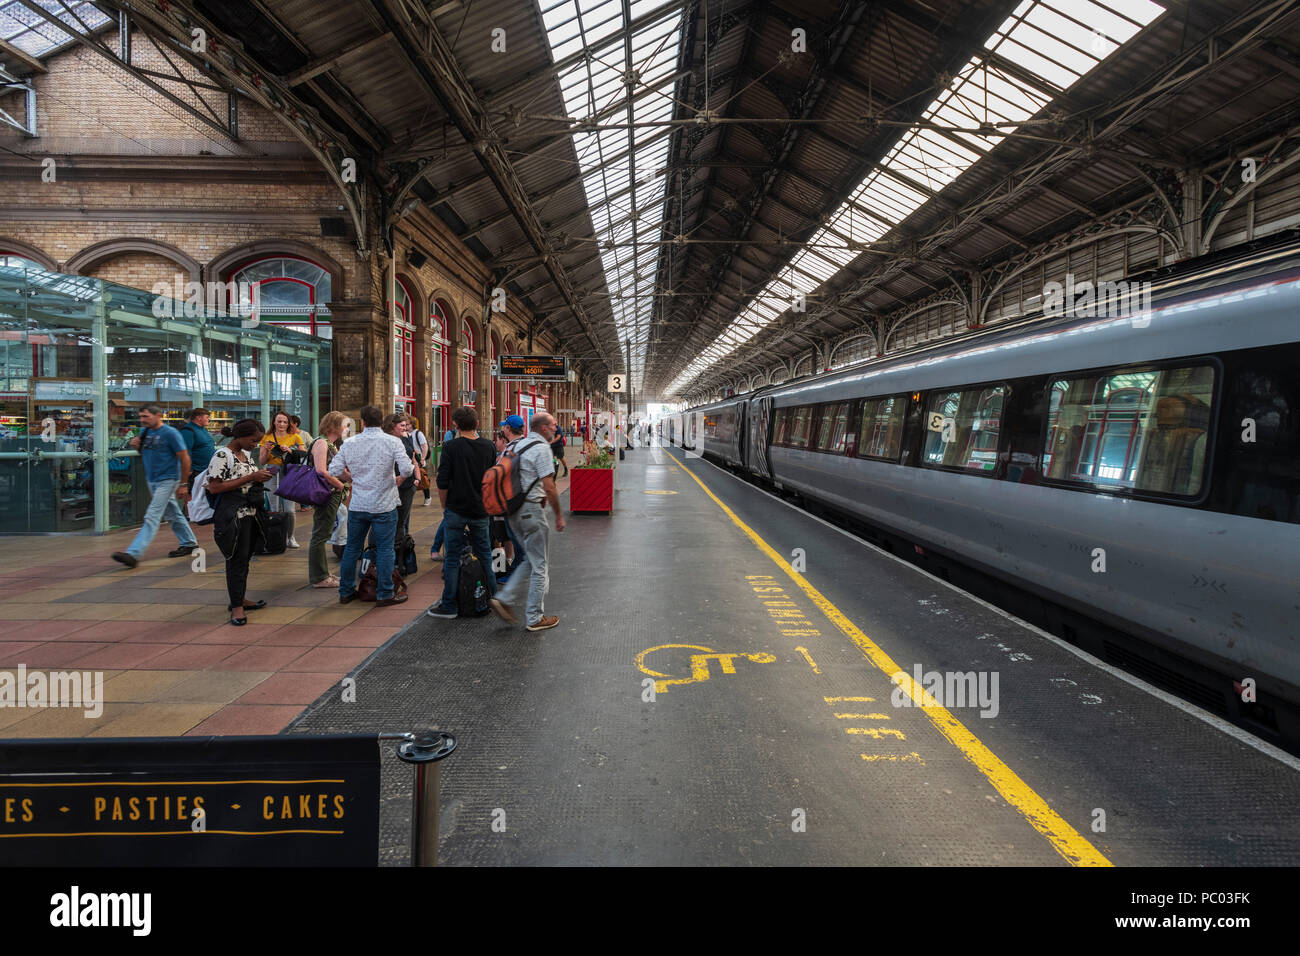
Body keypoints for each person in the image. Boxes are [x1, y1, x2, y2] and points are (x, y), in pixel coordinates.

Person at [329, 405, 412, 607]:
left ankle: (346, 592)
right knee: (385, 550)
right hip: (384, 504)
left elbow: (333, 469)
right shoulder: (393, 442)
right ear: (382, 422)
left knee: (352, 549)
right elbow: (407, 469)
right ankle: (385, 593)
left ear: (363, 422)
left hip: (358, 504)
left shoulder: (350, 443)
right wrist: (398, 479)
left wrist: (351, 477)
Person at [489, 412, 565, 632]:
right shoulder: (541, 448)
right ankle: (534, 617)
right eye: (553, 425)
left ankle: (505, 596)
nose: (556, 428)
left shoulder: (516, 445)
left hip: (512, 511)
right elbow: (549, 486)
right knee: (540, 565)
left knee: (530, 559)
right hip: (531, 511)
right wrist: (559, 515)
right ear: (542, 428)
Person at [425, 406, 498, 619]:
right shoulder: (489, 446)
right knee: (485, 554)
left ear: (455, 424)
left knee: (452, 557)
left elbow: (442, 482)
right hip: (480, 509)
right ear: (477, 424)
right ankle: (493, 597)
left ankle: (449, 605)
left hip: (456, 509)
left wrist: (445, 507)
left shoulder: (450, 447)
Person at [111, 405, 199, 568]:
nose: (142, 420)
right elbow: (146, 454)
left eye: (146, 416)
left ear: (158, 415)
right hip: (153, 480)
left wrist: (183, 484)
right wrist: (137, 446)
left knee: (152, 515)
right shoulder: (145, 432)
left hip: (168, 479)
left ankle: (134, 554)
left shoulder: (170, 433)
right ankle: (189, 542)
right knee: (172, 513)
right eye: (141, 417)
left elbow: (185, 458)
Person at [207, 419, 274, 625]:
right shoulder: (221, 456)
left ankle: (240, 598)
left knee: (244, 559)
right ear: (241, 436)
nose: (255, 445)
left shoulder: (245, 455)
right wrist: (251, 477)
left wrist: (259, 478)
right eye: (253, 441)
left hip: (250, 515)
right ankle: (236, 608)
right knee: (235, 559)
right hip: (233, 516)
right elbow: (215, 487)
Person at [307, 411, 350, 589]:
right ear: (334, 426)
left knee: (324, 532)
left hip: (332, 493)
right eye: (345, 425)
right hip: (327, 493)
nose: (347, 429)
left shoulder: (329, 443)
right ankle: (318, 577)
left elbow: (335, 469)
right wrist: (339, 485)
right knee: (321, 534)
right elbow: (321, 471)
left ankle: (323, 573)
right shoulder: (322, 442)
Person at [259, 410, 304, 549]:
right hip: (272, 471)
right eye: (279, 421)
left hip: (288, 471)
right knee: (275, 507)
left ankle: (290, 537)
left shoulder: (295, 437)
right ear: (274, 422)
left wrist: (290, 450)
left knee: (289, 509)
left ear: (289, 423)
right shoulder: (267, 437)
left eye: (285, 422)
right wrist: (266, 449)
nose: (282, 424)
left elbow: (303, 455)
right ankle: (278, 536)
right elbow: (262, 461)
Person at [175, 408, 215, 482]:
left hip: (207, 469)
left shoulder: (203, 429)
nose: (209, 419)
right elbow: (185, 452)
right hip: (196, 472)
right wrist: (188, 470)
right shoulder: (188, 431)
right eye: (207, 417)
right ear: (199, 418)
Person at [410, 415, 433, 506]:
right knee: (411, 480)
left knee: (423, 480)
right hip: (410, 460)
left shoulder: (418, 433)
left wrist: (422, 459)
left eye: (407, 424)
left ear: (412, 424)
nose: (405, 426)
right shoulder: (405, 434)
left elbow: (424, 446)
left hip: (419, 460)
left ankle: (427, 497)